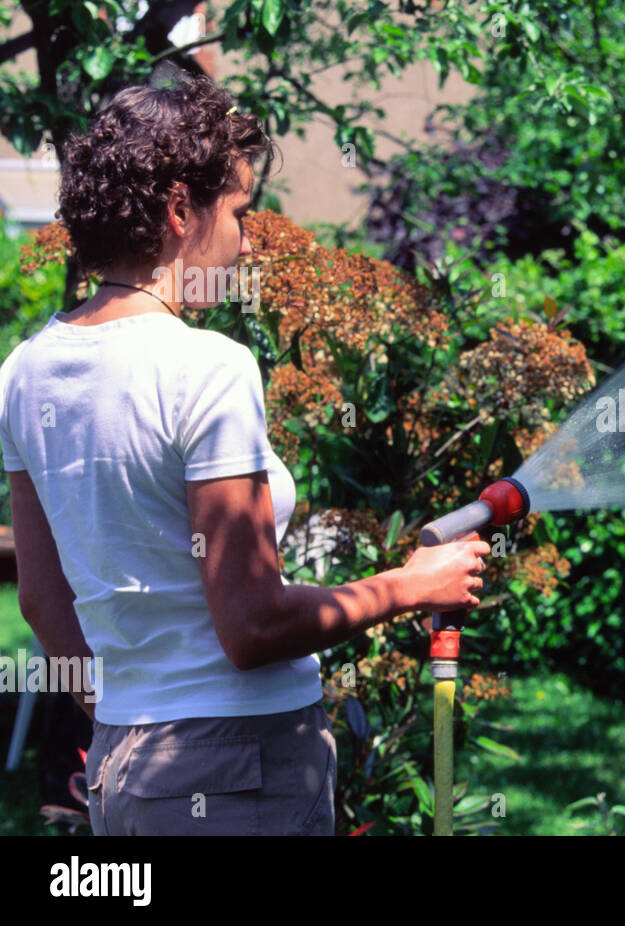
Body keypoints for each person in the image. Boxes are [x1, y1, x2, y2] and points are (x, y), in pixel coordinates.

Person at [0, 74, 490, 835]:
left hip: (125, 765)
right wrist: (411, 584)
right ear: (178, 209)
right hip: (239, 771)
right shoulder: (208, 366)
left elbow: (41, 599)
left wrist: (128, 705)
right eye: (238, 210)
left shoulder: (22, 373)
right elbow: (253, 625)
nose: (248, 237)